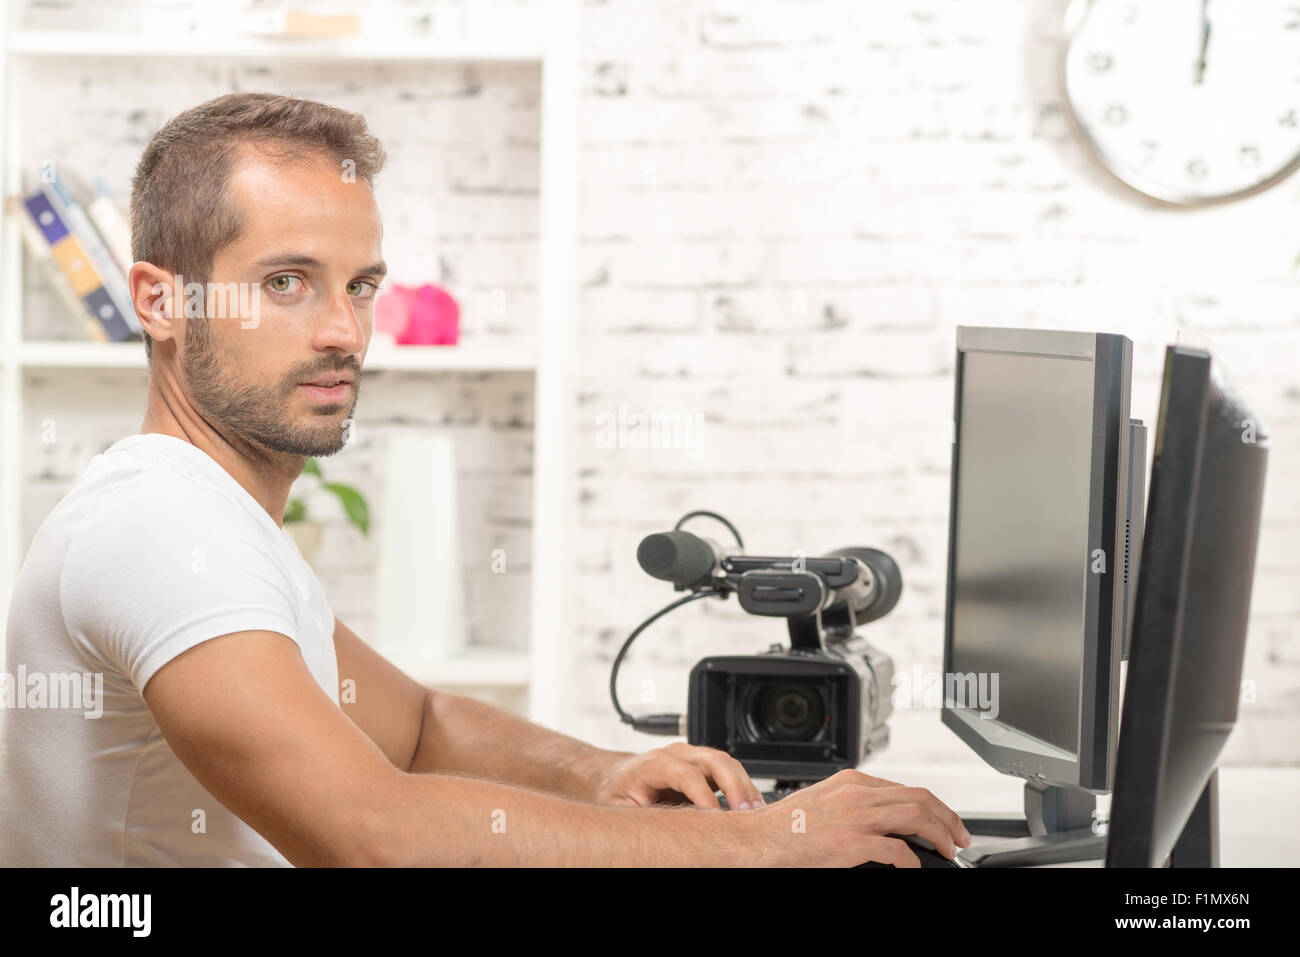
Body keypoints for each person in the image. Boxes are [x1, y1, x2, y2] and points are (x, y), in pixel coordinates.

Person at [0, 93, 970, 867]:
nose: (343, 329)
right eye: (286, 282)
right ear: (160, 302)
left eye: (361, 284)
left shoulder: (206, 518)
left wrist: (604, 774)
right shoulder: (163, 533)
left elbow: (419, 729)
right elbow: (371, 834)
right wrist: (756, 847)